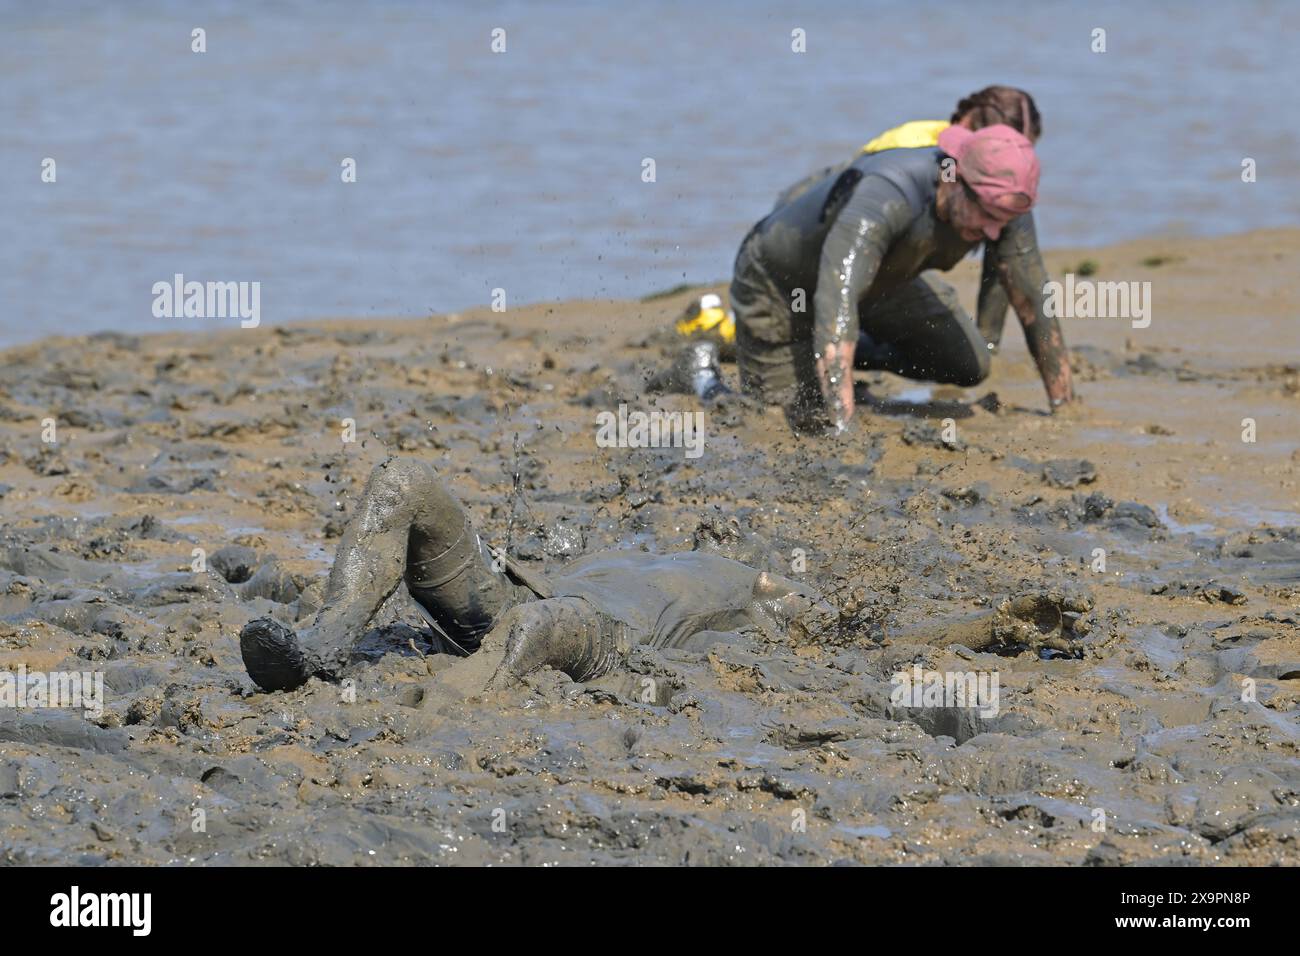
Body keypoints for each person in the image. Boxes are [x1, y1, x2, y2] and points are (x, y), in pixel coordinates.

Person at [239, 457, 823, 692]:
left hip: (605, 634)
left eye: (735, 534)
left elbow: (819, 616)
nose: (723, 528)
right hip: (512, 595)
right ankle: (322, 646)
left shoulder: (754, 584)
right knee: (404, 480)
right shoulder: (645, 551)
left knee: (543, 625)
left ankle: (449, 704)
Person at [730, 122, 1073, 432]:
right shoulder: (889, 191)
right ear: (952, 178)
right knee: (789, 419)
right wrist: (844, 429)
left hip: (884, 281)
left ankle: (841, 355)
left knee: (967, 364)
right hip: (780, 285)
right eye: (987, 215)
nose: (995, 232)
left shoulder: (1002, 206)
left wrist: (1064, 407)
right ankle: (703, 371)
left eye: (1005, 220)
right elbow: (838, 297)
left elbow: (1031, 299)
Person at [771, 86, 1044, 352]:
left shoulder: (990, 176)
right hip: (817, 222)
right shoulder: (924, 151)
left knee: (1005, 229)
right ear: (972, 126)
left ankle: (987, 340)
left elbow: (1009, 257)